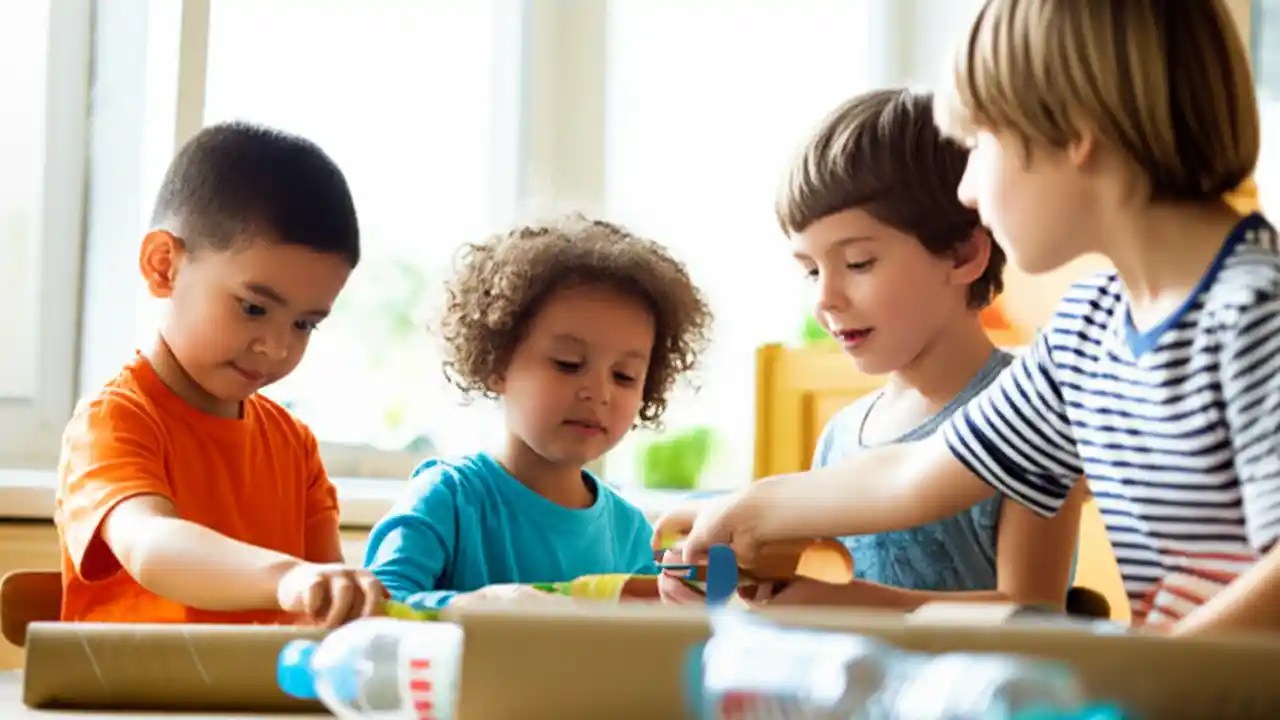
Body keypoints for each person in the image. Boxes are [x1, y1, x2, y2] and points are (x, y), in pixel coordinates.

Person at [659, 0, 1278, 636]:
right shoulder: (1087, 332)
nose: (968, 190)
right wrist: (745, 510)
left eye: (980, 144)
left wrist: (1160, 668)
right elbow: (916, 474)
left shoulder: (1255, 314)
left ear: (1075, 133)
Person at [658, 88, 1080, 610]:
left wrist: (853, 604)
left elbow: (1034, 615)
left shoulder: (1029, 413)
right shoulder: (841, 434)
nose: (825, 300)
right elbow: (806, 587)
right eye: (811, 271)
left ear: (963, 253)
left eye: (858, 263)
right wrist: (730, 588)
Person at [56, 122, 383, 627]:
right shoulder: (115, 420)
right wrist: (288, 579)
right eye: (253, 308)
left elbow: (324, 609)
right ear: (164, 266)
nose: (276, 346)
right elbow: (152, 545)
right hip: (137, 705)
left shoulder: (295, 448)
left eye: (304, 324)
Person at [365, 214, 713, 610]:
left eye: (624, 375)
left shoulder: (630, 531)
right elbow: (377, 605)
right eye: (567, 363)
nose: (598, 393)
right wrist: (483, 606)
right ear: (497, 363)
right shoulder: (448, 498)